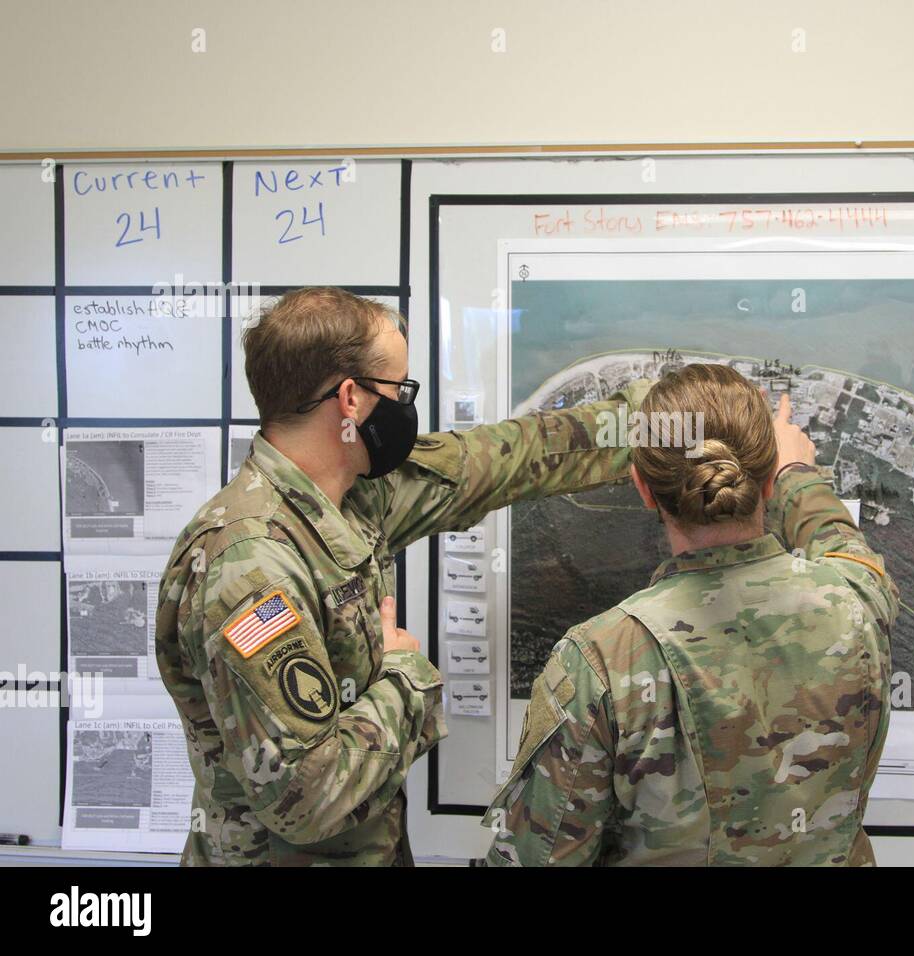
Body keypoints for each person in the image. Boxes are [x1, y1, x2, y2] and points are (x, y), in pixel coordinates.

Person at [155, 286, 649, 866]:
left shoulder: (351, 496)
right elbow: (308, 797)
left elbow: (492, 462)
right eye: (398, 390)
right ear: (351, 400)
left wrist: (643, 424)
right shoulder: (248, 565)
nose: (404, 406)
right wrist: (404, 675)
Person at [483, 363, 900, 866]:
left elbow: (537, 857)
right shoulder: (857, 601)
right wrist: (797, 475)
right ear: (766, 484)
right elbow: (843, 545)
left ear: (641, 486)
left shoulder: (599, 661)